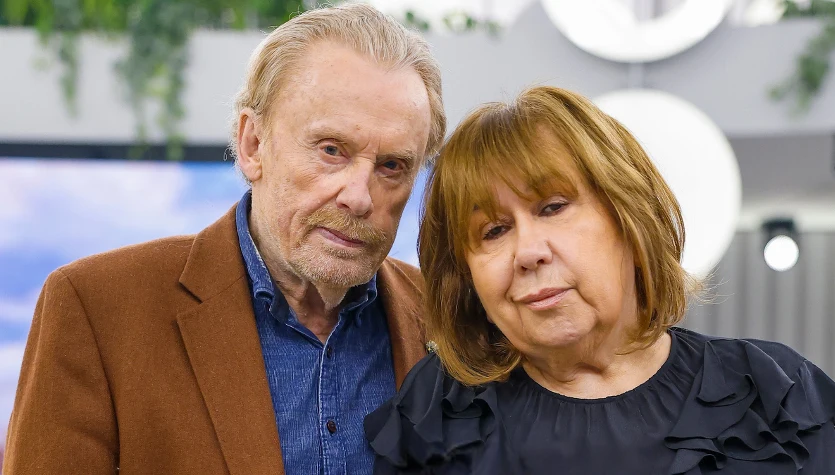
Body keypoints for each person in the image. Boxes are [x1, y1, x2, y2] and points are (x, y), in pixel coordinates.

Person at [4, 4, 445, 474]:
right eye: (332, 150)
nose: (358, 197)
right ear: (253, 144)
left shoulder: (448, 321)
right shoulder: (97, 308)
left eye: (392, 166)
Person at [364, 86, 835, 474]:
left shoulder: (779, 396)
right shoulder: (434, 417)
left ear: (629, 218)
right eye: (494, 231)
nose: (527, 252)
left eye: (553, 208)